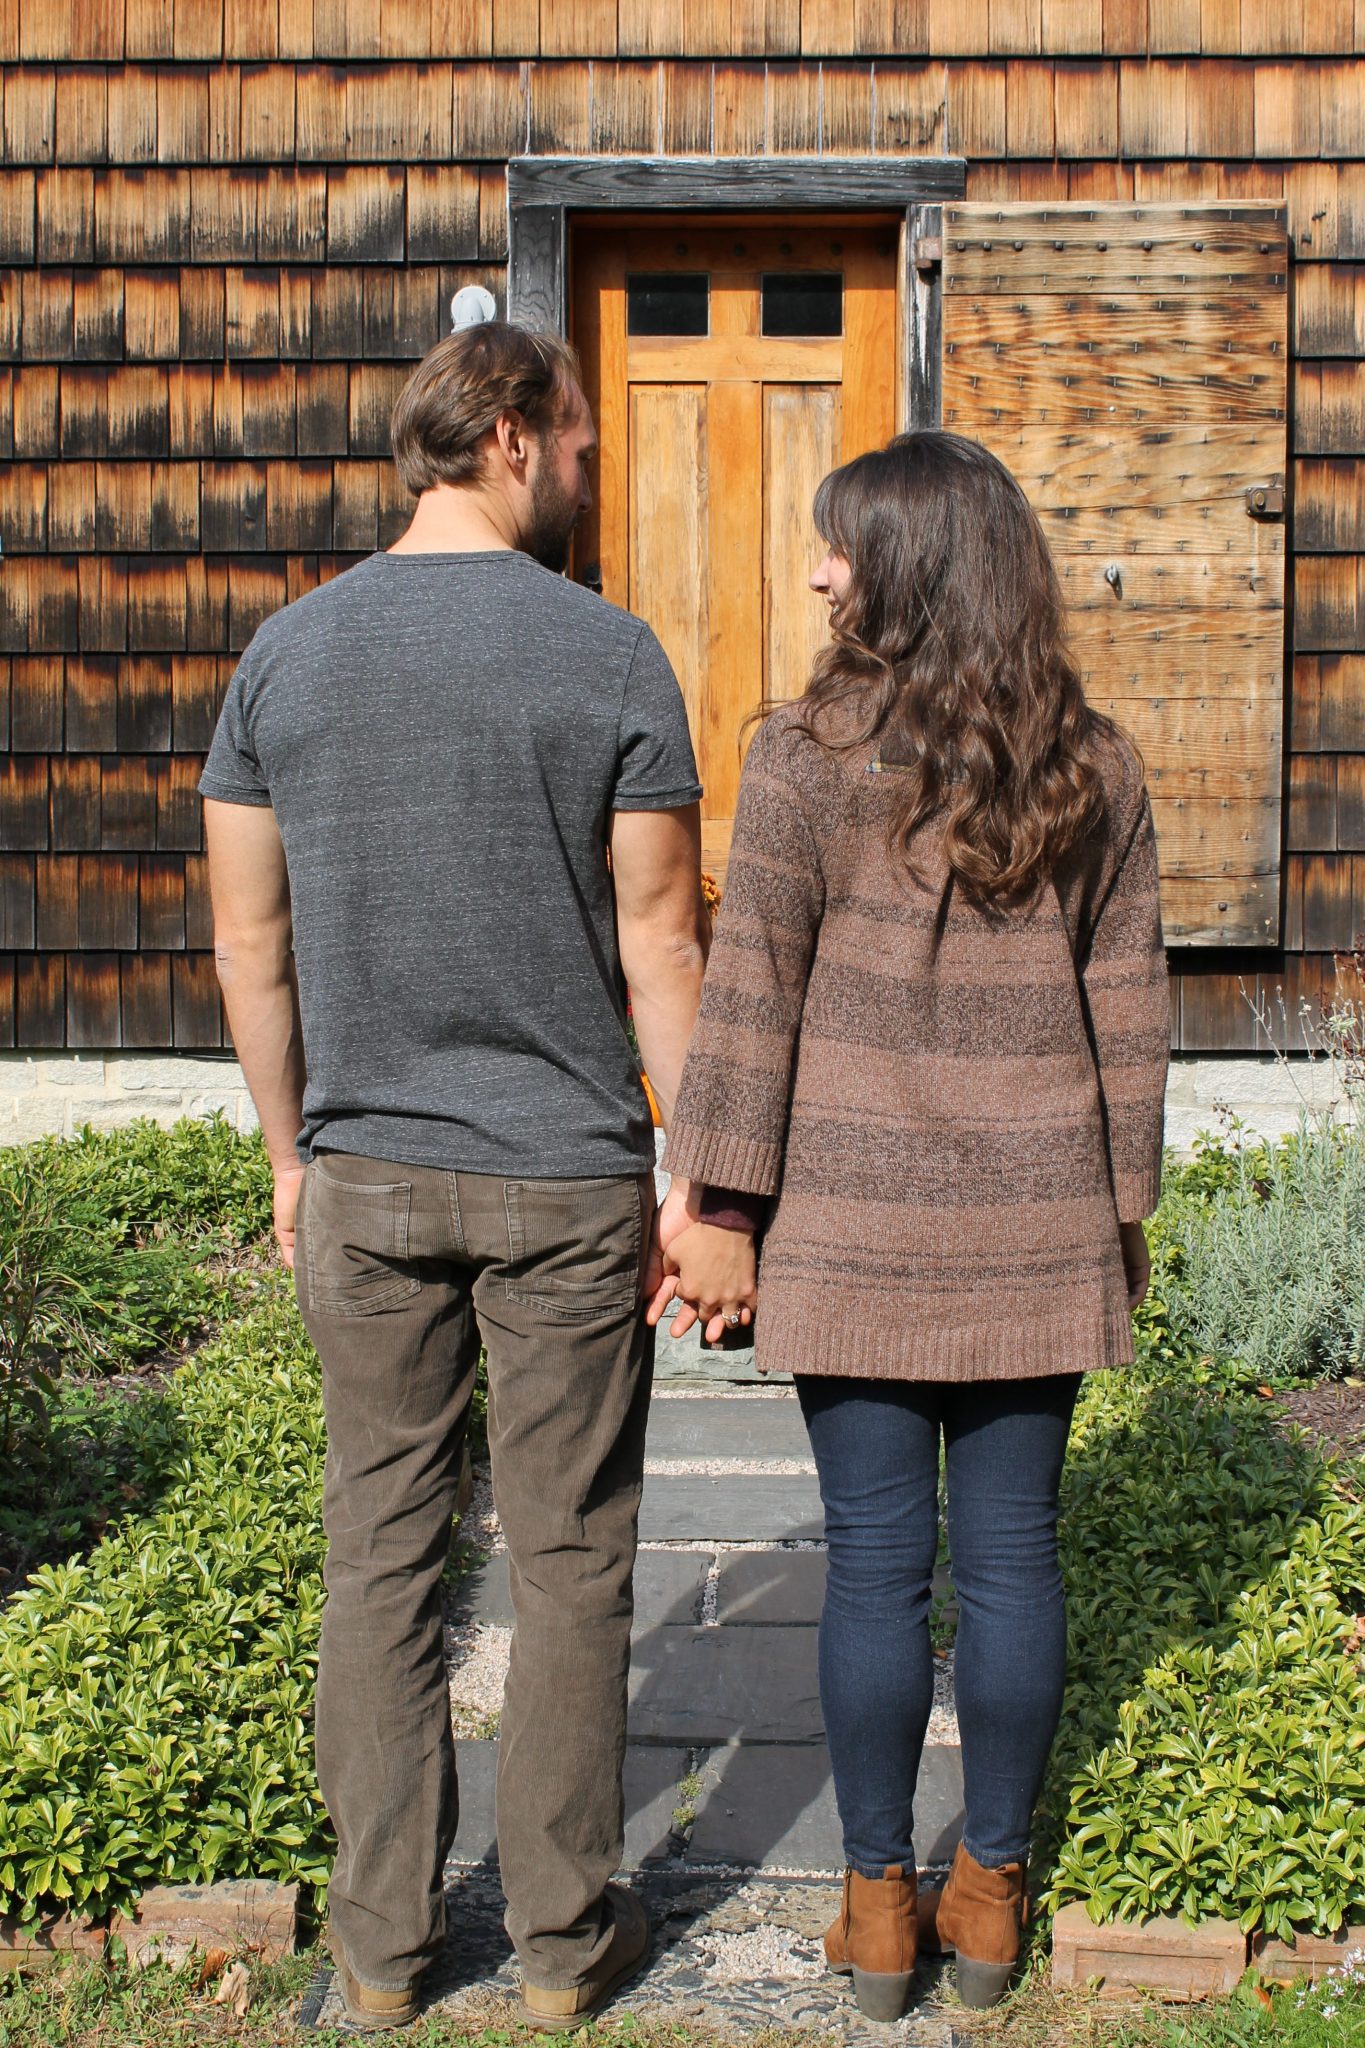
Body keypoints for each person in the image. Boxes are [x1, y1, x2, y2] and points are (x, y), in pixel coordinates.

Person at [201, 321, 715, 2033]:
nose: (584, 466)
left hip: (365, 1171)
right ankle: (566, 1948)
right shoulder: (612, 658)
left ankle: (379, 1953)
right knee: (571, 1562)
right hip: (565, 1179)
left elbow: (247, 942)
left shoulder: (285, 656)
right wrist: (695, 1176)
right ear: (503, 435)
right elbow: (662, 942)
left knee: (380, 1554)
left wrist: (290, 1152)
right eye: (573, 439)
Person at [652, 431, 1170, 2020]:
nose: (818, 572)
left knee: (878, 1568)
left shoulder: (802, 755)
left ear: (909, 564)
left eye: (838, 545)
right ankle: (991, 1899)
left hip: (854, 1222)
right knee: (1010, 1561)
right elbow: (1130, 1016)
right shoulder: (1091, 760)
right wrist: (1121, 1214)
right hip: (1034, 1223)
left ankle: (878, 1907)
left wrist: (717, 1205)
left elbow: (752, 1004)